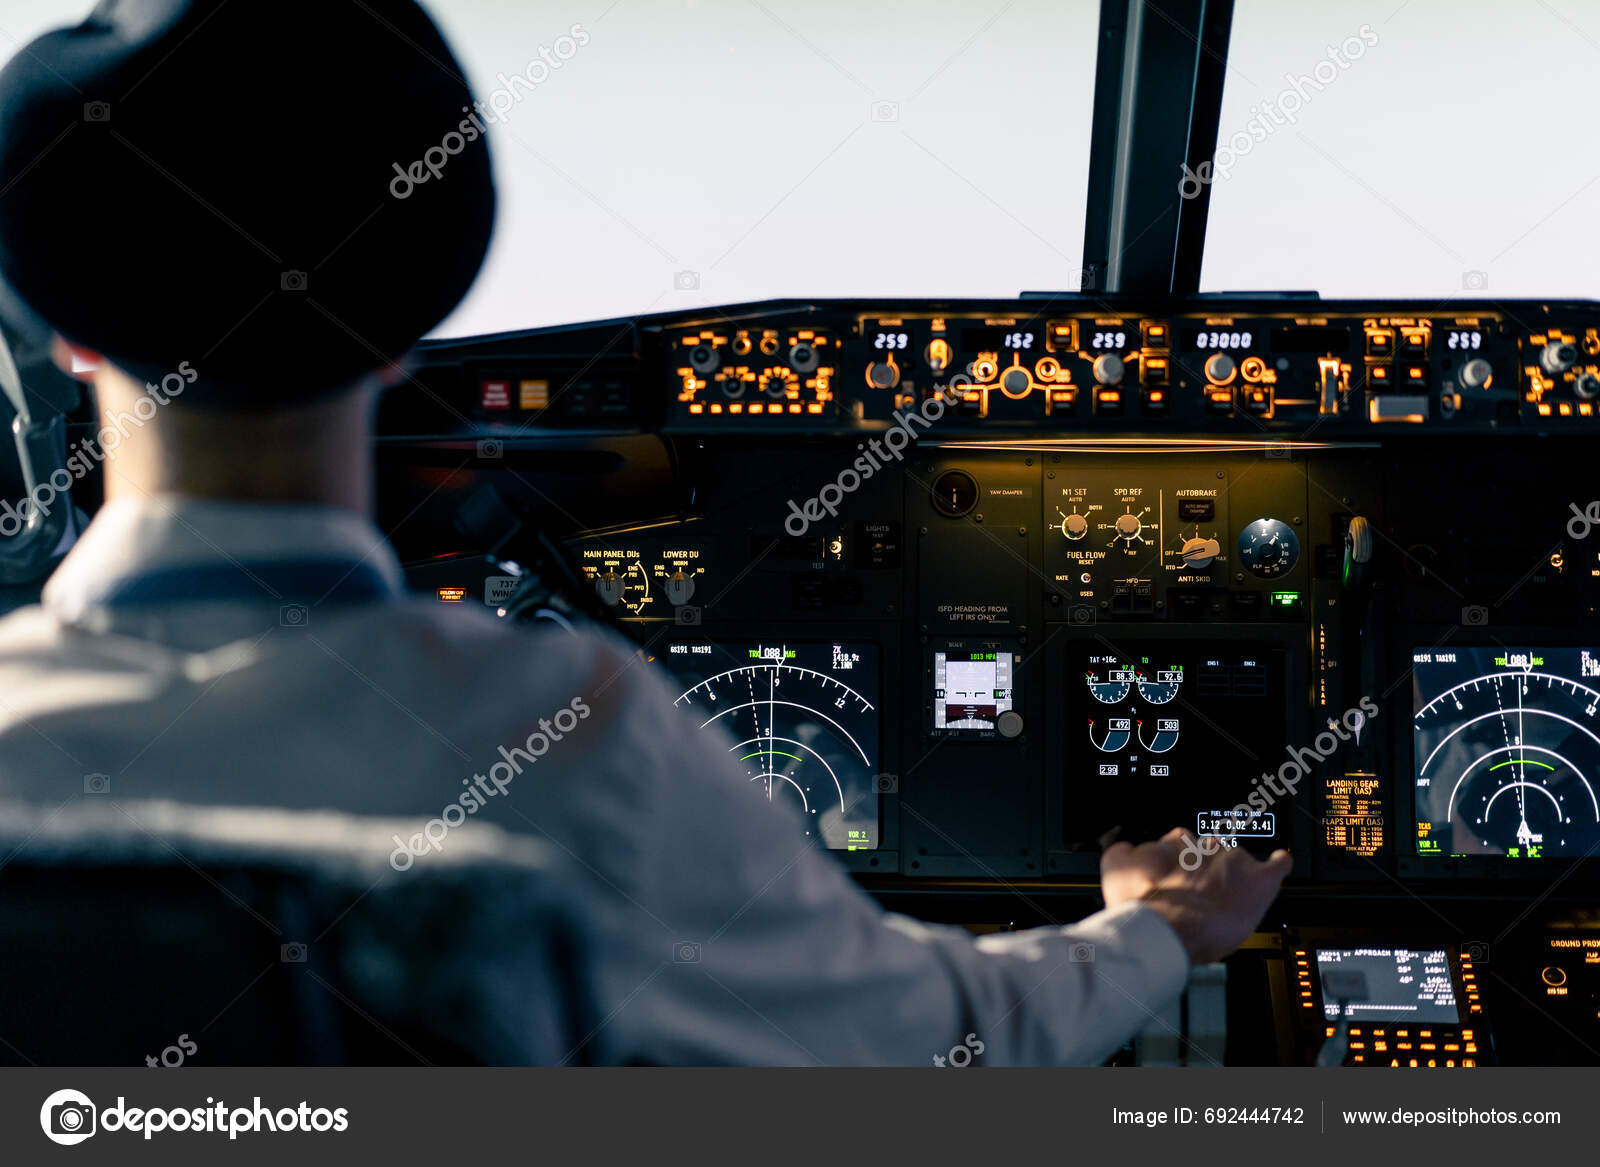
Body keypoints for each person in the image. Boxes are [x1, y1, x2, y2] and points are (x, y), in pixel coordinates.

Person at [0, 0, 1290, 1065]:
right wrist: (1158, 929)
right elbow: (936, 1044)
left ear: (69, 335)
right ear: (404, 335)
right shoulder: (567, 736)